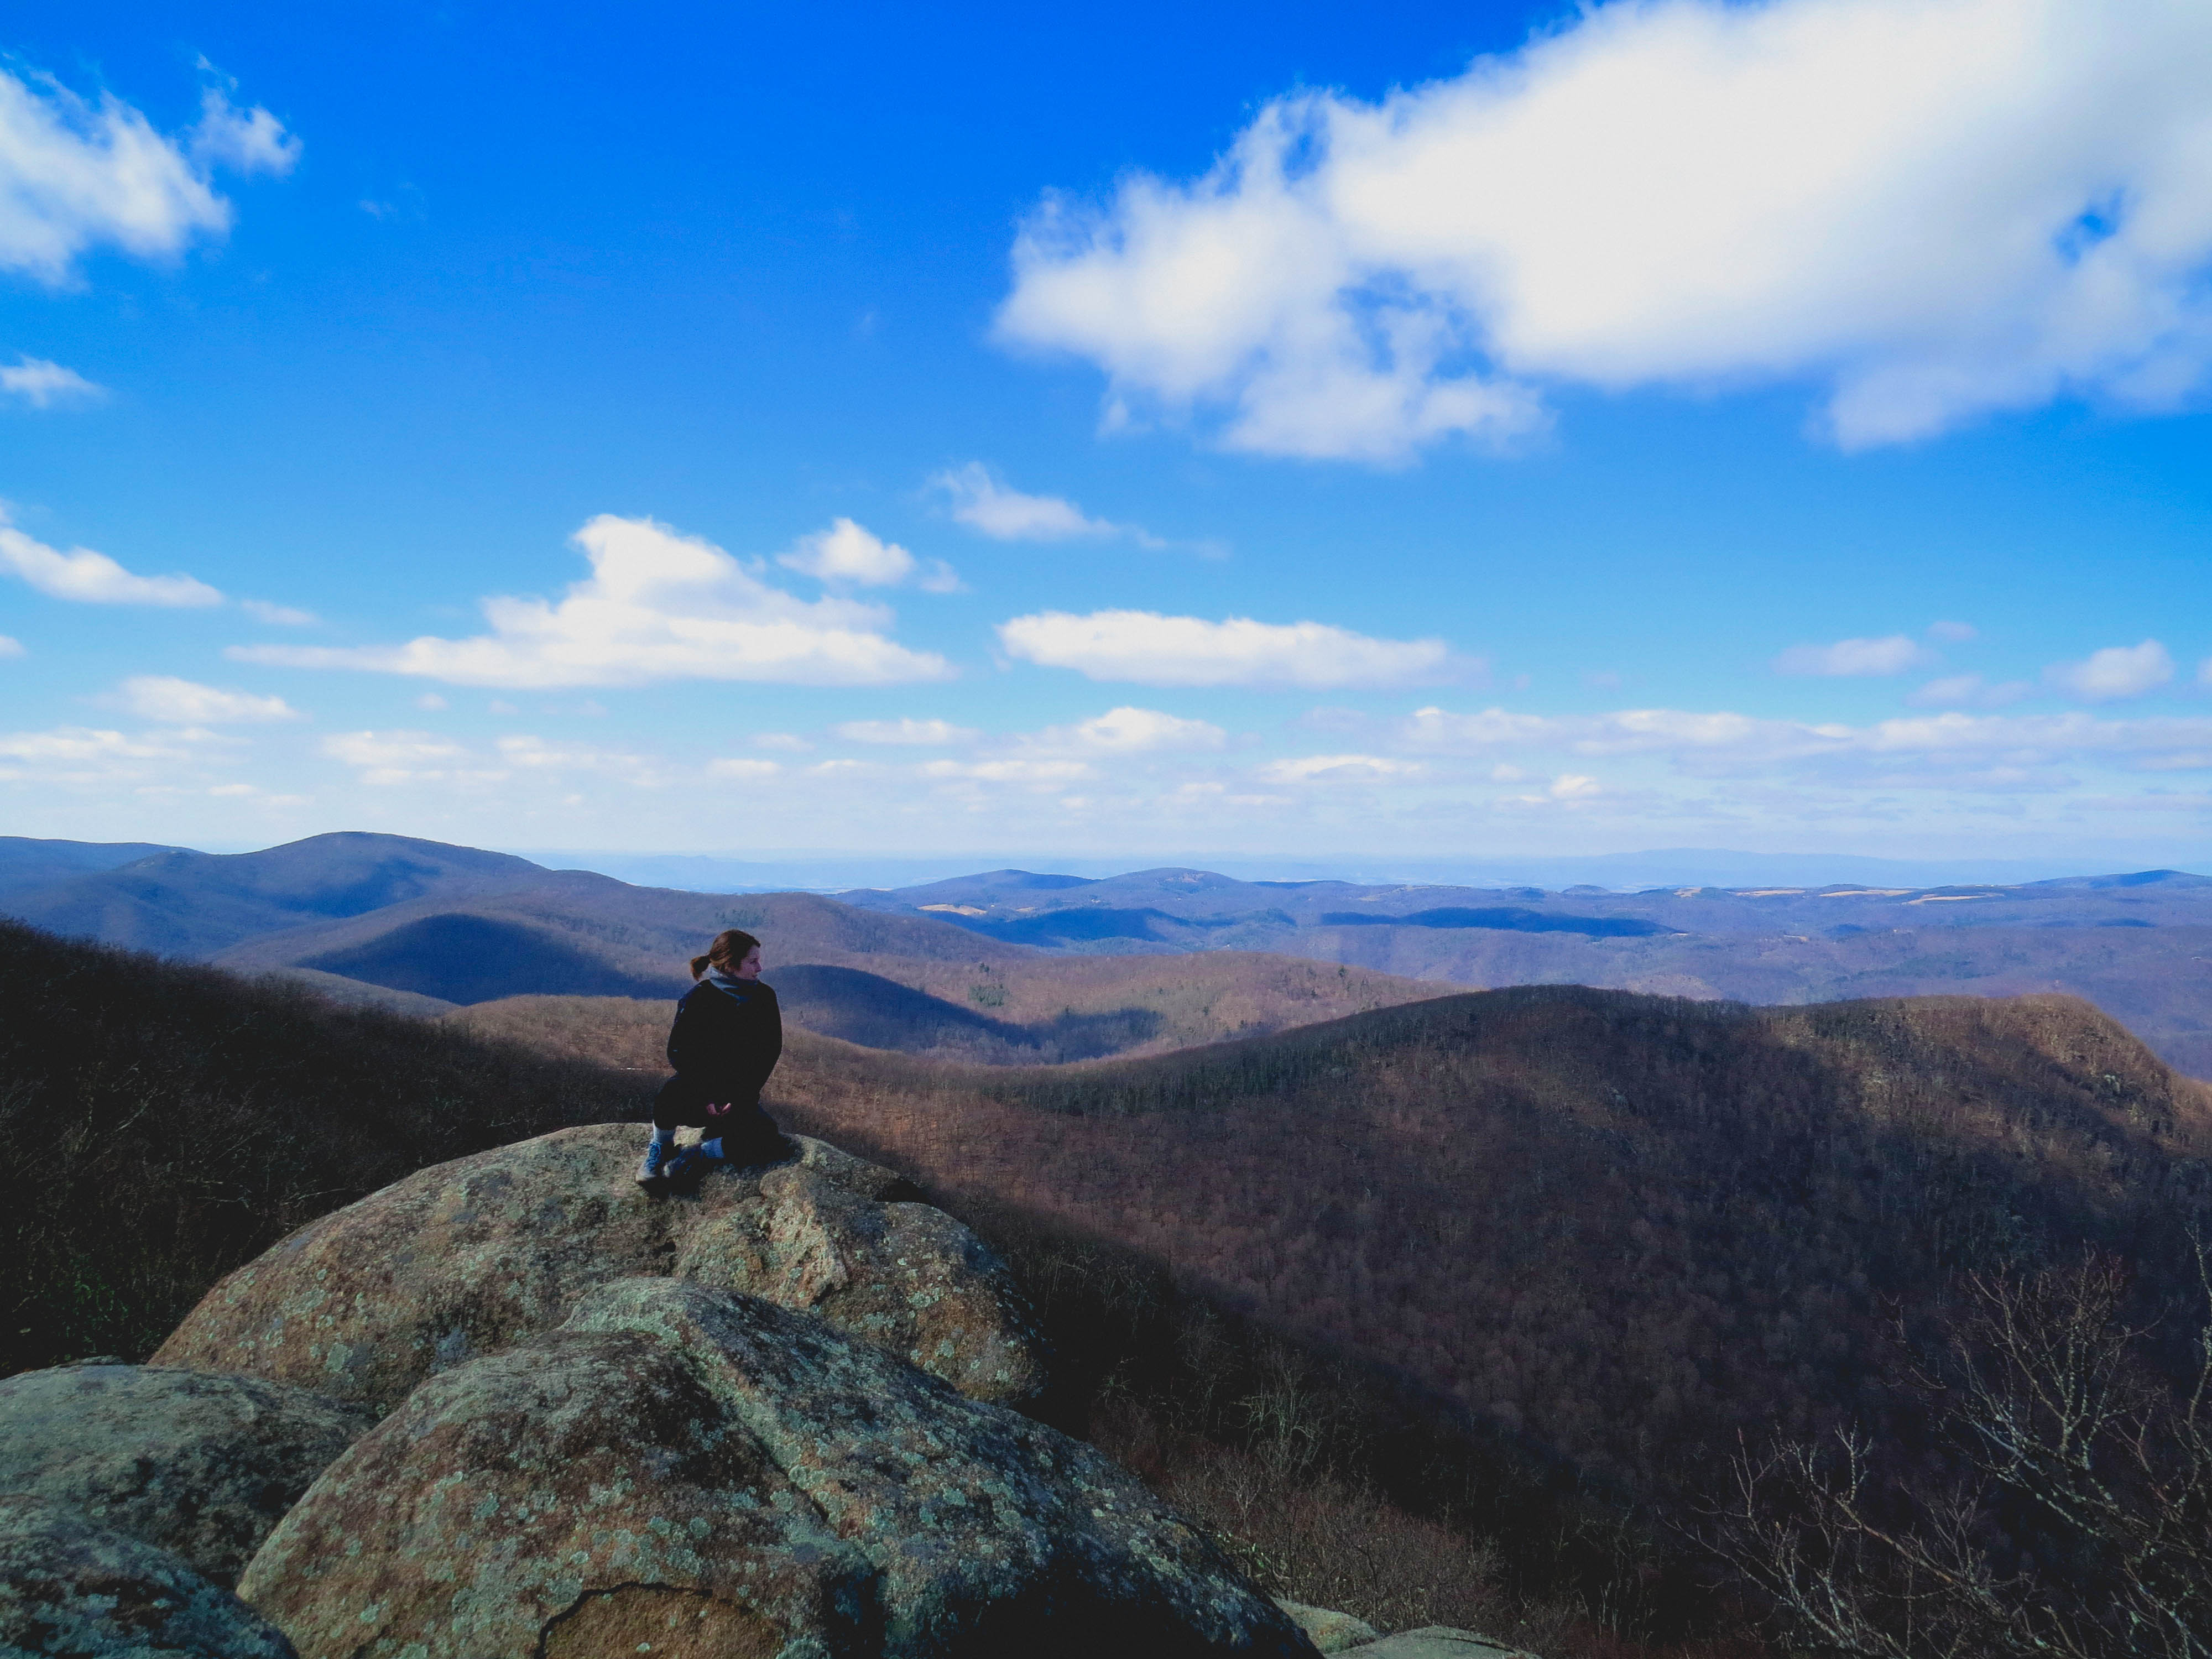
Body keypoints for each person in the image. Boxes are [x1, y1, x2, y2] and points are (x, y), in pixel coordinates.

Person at [636, 928, 788, 1188]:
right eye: (753, 961)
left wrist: (738, 1097)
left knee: (767, 1138)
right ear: (730, 965)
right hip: (698, 1093)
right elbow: (679, 1053)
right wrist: (708, 1095)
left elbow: (768, 1053)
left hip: (737, 1097)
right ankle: (661, 1147)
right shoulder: (698, 999)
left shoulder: (764, 998)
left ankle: (701, 1153)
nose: (760, 967)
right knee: (670, 1093)